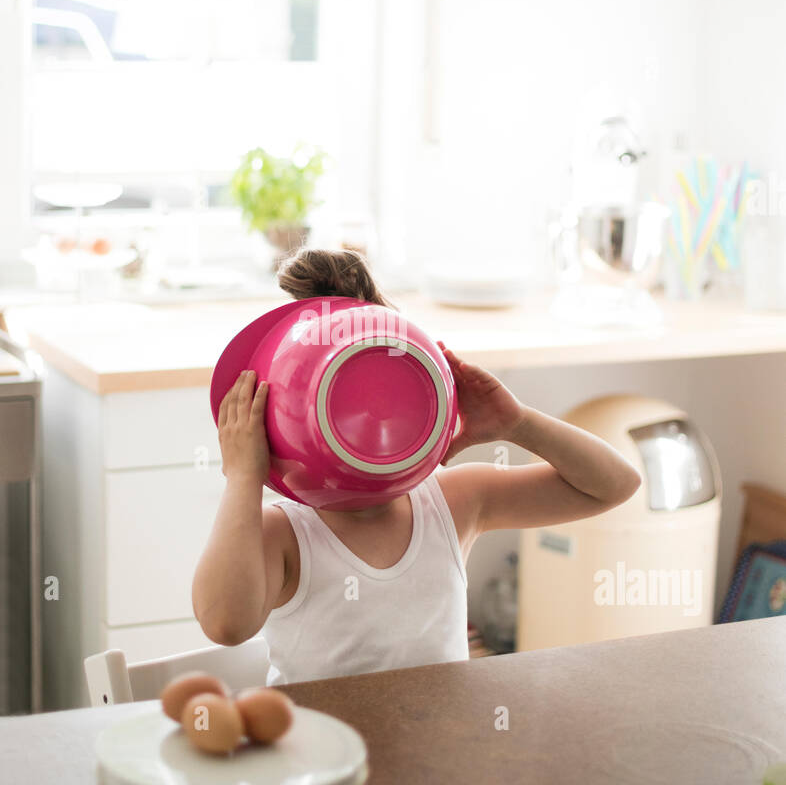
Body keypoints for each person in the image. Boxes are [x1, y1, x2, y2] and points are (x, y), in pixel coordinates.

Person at [192, 248, 641, 684]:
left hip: (434, 749)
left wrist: (516, 423)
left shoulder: (454, 501)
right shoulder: (284, 532)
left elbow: (614, 485)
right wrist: (243, 478)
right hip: (323, 757)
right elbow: (225, 624)